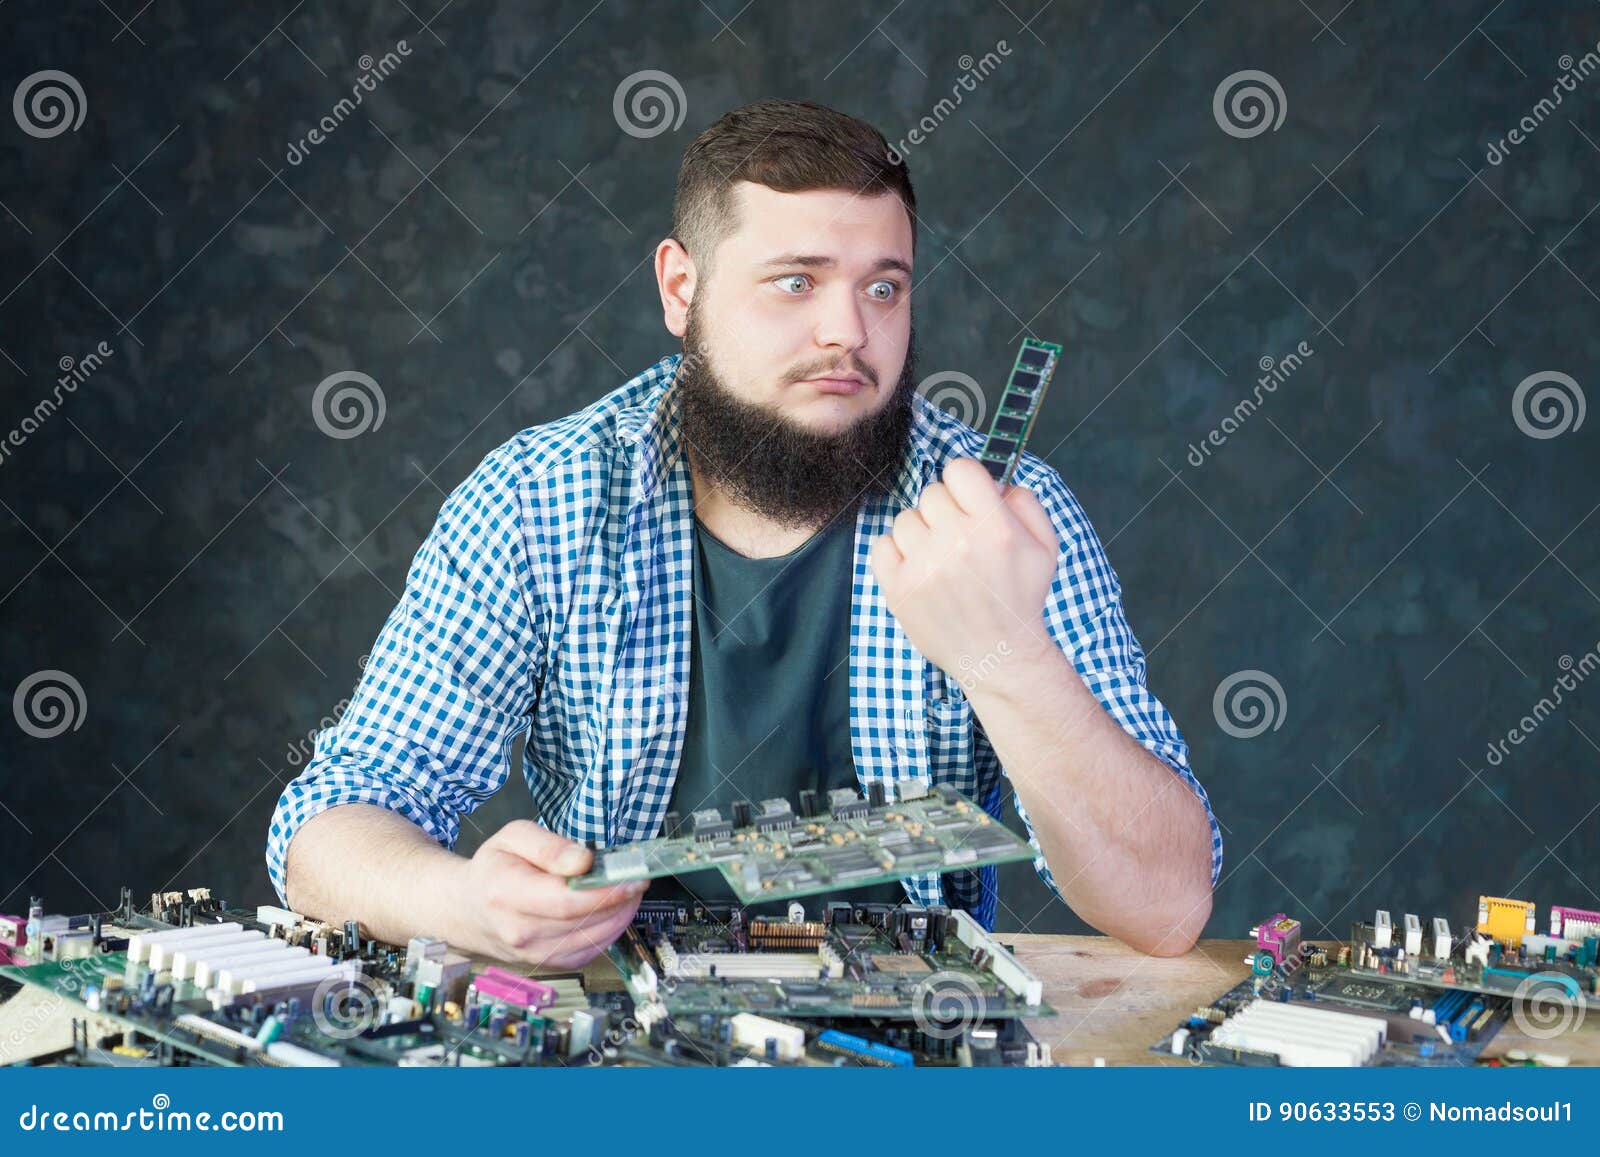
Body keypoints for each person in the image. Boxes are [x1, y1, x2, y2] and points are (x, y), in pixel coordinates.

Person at [265, 98, 1221, 968]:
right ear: (681, 288)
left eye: (883, 288)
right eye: (796, 282)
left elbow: (1167, 906)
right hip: (627, 1051)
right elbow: (329, 822)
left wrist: (1006, 652)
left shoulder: (1003, 521)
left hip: (919, 1046)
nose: (848, 330)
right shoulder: (537, 499)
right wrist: (463, 901)